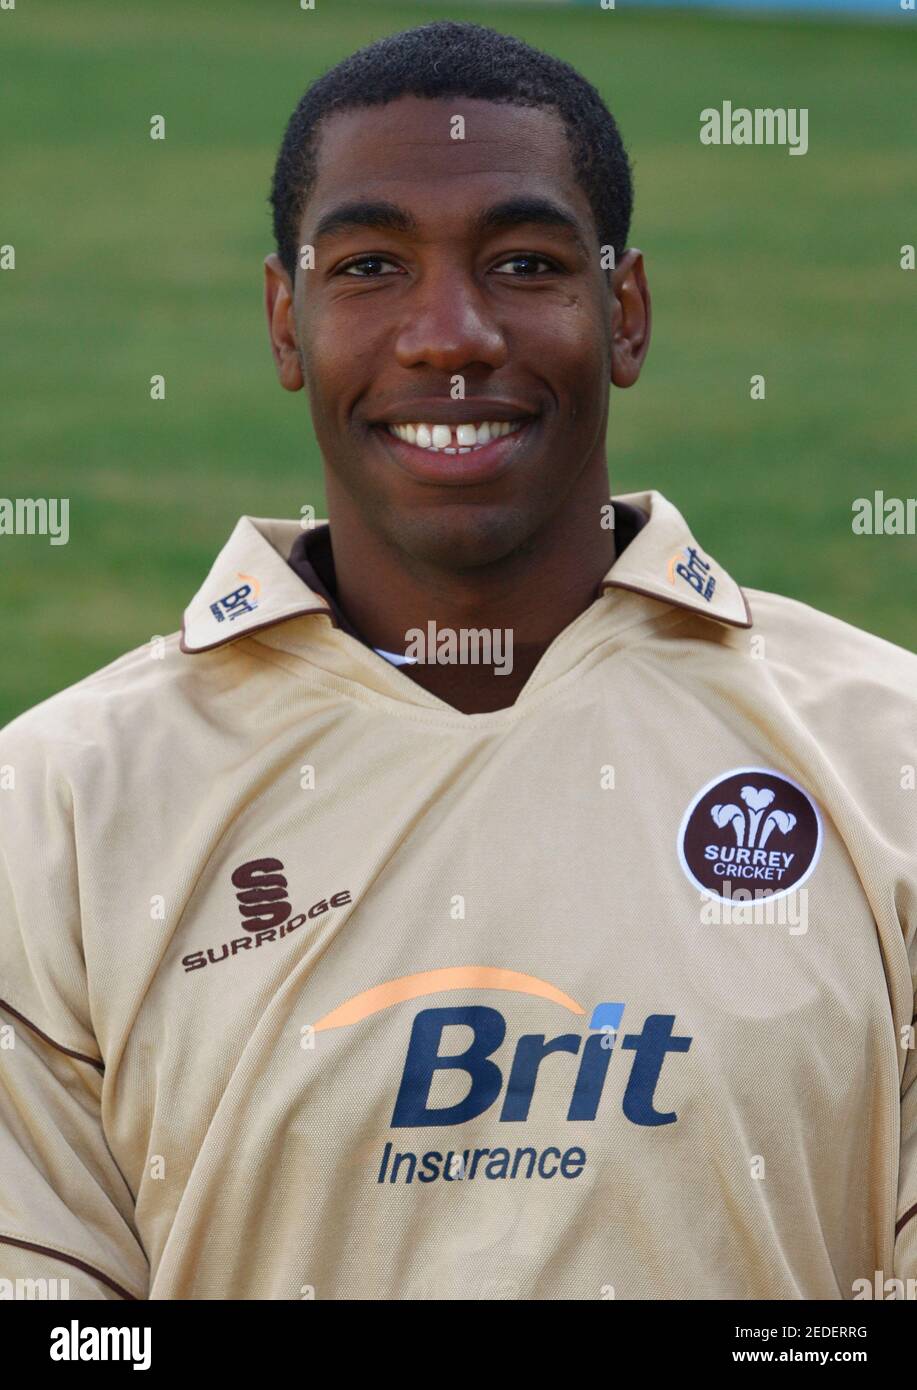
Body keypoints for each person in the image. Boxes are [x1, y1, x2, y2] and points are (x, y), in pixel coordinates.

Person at [0, 20, 914, 1301]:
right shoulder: (54, 809)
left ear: (624, 312)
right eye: (371, 265)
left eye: (525, 262)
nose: (449, 333)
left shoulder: (886, 756)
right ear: (284, 321)